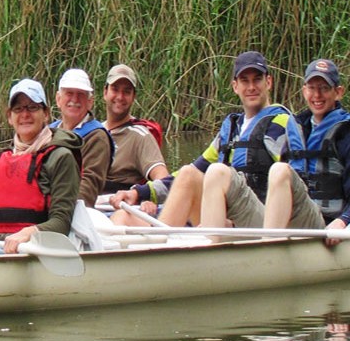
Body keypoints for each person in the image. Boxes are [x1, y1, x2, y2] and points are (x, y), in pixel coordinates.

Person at [110, 51, 293, 227]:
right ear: (235, 86)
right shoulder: (231, 129)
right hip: (223, 217)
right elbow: (192, 172)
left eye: (257, 80)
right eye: (245, 81)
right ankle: (162, 240)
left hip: (260, 221)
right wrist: (139, 192)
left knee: (192, 175)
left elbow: (295, 180)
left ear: (268, 82)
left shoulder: (280, 123)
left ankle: (162, 244)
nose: (251, 87)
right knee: (124, 216)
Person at [201, 59, 350, 243]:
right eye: (312, 88)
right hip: (283, 221)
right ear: (304, 91)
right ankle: (211, 248)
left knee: (280, 171)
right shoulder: (295, 128)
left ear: (338, 92)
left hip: (322, 225)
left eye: (324, 88)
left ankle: (268, 254)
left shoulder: (345, 133)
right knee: (217, 172)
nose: (317, 95)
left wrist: (343, 221)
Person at [0, 79, 82, 253]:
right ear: (10, 117)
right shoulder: (3, 158)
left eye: (32, 107)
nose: (25, 114)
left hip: (35, 248)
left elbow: (61, 222)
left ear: (46, 114)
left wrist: (27, 233)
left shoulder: (61, 157)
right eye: (18, 109)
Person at [50, 68, 114, 207]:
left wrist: (58, 212)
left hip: (71, 210)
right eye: (69, 93)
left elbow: (88, 187)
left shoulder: (97, 137)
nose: (74, 99)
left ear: (90, 102)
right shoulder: (48, 132)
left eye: (80, 94)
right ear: (58, 99)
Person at [101, 64, 169, 193]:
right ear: (105, 92)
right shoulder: (94, 132)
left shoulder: (141, 136)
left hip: (120, 205)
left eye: (126, 92)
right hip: (90, 202)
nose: (120, 97)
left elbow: (163, 179)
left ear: (133, 97)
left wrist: (149, 197)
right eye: (115, 89)